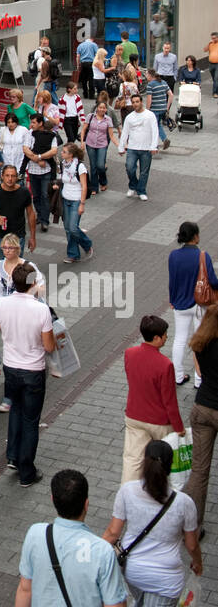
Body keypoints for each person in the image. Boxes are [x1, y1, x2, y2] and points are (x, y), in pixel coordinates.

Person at [9, 469, 127, 607]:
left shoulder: (36, 534)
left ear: (53, 499)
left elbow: (25, 589)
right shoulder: (102, 551)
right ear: (87, 504)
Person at [103, 441, 201, 607]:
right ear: (170, 467)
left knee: (142, 605)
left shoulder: (127, 491)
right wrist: (198, 563)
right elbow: (191, 544)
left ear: (143, 463)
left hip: (132, 572)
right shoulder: (184, 503)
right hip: (166, 580)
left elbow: (113, 533)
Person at [0, 262, 55, 486]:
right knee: (31, 420)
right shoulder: (41, 309)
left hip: (11, 368)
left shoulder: (1, 304)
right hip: (33, 371)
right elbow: (49, 347)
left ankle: (13, 456)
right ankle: (27, 472)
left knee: (15, 410)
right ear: (33, 283)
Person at [0, 234, 46, 416]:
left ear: (17, 249)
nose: (6, 251)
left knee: (25, 344)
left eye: (10, 248)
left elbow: (40, 288)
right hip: (4, 312)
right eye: (4, 248)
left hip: (25, 312)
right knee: (8, 346)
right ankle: (9, 395)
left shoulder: (28, 267)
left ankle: (26, 377)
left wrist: (25, 294)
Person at [121, 315, 185, 483]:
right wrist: (179, 428)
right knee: (164, 459)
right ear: (156, 338)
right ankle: (161, 490)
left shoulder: (129, 353)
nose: (166, 337)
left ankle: (127, 492)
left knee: (132, 459)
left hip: (134, 416)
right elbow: (169, 401)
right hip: (159, 422)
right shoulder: (165, 365)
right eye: (164, 334)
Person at [168, 221, 218, 388]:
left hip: (179, 304)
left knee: (179, 339)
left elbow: (172, 280)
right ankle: (199, 379)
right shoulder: (203, 256)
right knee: (200, 340)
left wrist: (172, 299)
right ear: (195, 236)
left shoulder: (173, 256)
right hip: (199, 305)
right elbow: (212, 280)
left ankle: (178, 376)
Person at [186, 302, 218, 527]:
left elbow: (198, 370)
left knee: (199, 471)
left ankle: (193, 526)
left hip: (202, 408)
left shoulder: (201, 343)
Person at [0, 163, 36, 262]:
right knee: (1, 265)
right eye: (7, 175)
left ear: (17, 177)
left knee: (16, 267)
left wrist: (33, 237)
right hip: (0, 236)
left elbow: (31, 214)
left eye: (13, 176)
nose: (10, 179)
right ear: (2, 176)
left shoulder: (24, 192)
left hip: (18, 237)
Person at [54, 141, 92, 264]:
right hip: (65, 199)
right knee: (67, 228)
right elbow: (62, 179)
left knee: (73, 228)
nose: (62, 153)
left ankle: (87, 244)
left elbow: (84, 186)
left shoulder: (80, 167)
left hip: (76, 200)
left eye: (64, 152)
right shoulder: (64, 164)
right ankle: (73, 254)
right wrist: (56, 185)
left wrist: (82, 204)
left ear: (71, 154)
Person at [118, 93, 159, 201]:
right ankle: (133, 185)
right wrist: (121, 147)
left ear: (141, 102)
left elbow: (155, 131)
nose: (135, 104)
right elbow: (125, 133)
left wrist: (154, 146)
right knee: (130, 167)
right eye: (133, 102)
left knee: (144, 171)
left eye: (137, 101)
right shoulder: (129, 117)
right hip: (132, 147)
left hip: (146, 148)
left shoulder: (150, 115)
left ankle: (141, 190)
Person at [22, 114, 58, 232]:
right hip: (32, 170)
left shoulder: (50, 135)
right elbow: (26, 150)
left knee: (45, 195)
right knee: (36, 196)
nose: (31, 125)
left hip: (46, 171)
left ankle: (45, 221)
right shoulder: (29, 134)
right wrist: (37, 160)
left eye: (33, 123)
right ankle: (40, 214)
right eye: (31, 122)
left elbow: (53, 151)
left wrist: (40, 156)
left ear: (40, 123)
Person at [79, 99, 119, 196]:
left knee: (100, 165)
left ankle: (103, 181)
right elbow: (83, 130)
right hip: (90, 143)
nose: (102, 109)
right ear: (97, 108)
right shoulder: (90, 116)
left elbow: (111, 135)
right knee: (93, 166)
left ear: (106, 110)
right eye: (100, 107)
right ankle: (94, 187)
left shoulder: (108, 119)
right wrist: (82, 142)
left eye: (104, 108)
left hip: (102, 144)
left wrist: (119, 145)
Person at [143, 68, 172, 152]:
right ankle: (164, 139)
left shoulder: (150, 85)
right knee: (158, 125)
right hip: (163, 109)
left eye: (146, 74)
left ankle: (154, 145)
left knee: (153, 127)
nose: (146, 76)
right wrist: (167, 107)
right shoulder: (163, 82)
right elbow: (171, 95)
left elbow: (149, 100)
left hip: (154, 110)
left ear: (150, 75)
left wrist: (147, 111)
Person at [0, 112, 29, 181]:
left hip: (19, 161)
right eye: (8, 122)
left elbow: (27, 145)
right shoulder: (3, 130)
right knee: (6, 183)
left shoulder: (23, 130)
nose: (10, 124)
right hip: (5, 160)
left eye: (13, 122)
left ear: (16, 122)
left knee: (19, 184)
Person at [76, 33, 98, 100]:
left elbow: (78, 56)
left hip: (83, 64)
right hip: (91, 63)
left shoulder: (80, 45)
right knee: (91, 79)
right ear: (92, 39)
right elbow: (97, 54)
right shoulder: (94, 45)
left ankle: (85, 93)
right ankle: (91, 95)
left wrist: (78, 65)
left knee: (84, 80)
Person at [204, 30, 218, 97]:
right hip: (211, 63)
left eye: (214, 38)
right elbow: (205, 50)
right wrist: (208, 43)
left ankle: (215, 93)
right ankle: (216, 89)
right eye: (212, 38)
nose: (213, 39)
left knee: (216, 78)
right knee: (214, 78)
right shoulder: (211, 44)